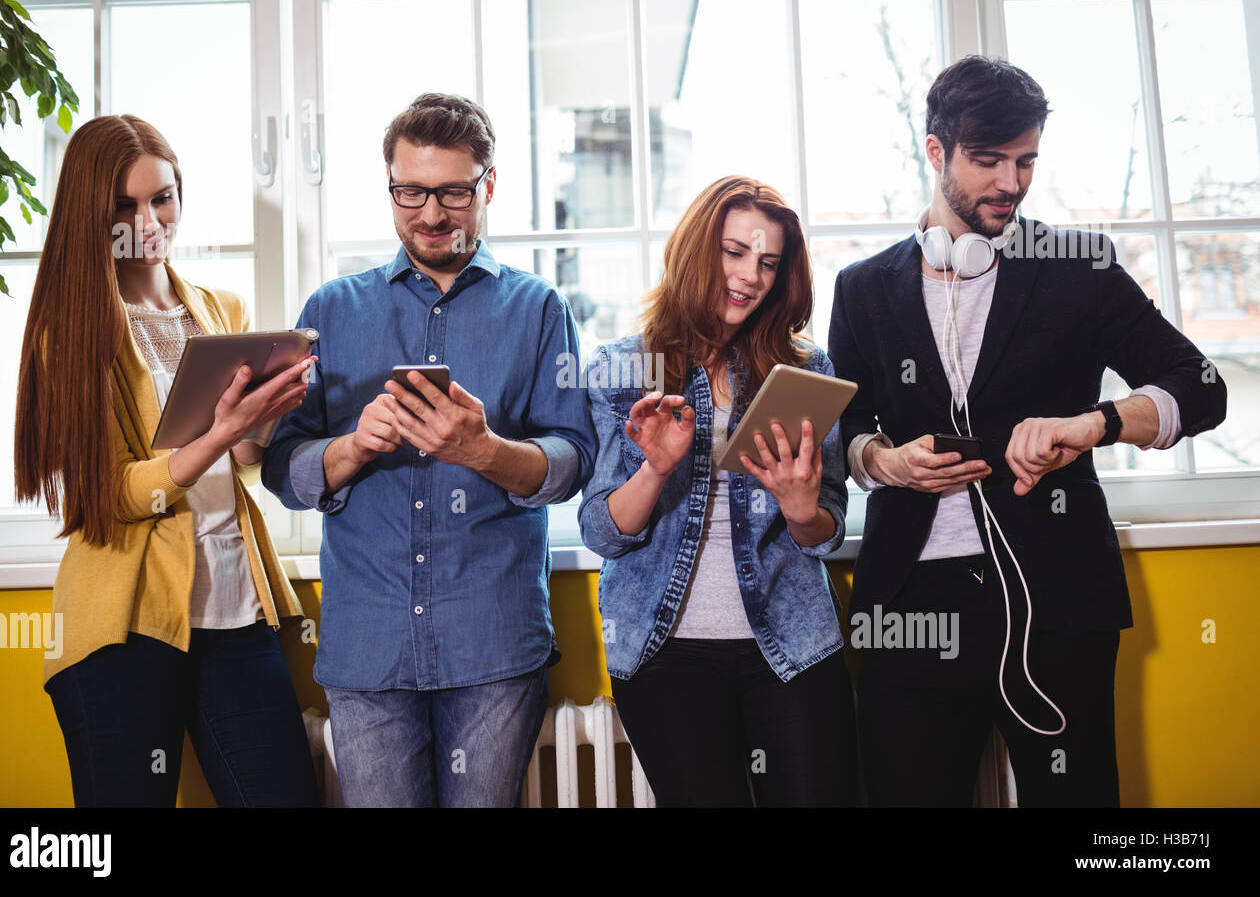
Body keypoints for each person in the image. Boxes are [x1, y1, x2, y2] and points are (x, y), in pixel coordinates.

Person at [827, 55, 1228, 807]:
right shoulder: (861, 289)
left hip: (1059, 595)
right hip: (910, 601)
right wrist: (879, 458)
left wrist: (1097, 423)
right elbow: (847, 424)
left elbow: (1201, 389)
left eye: (1026, 161)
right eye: (988, 161)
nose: (1010, 183)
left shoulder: (1080, 267)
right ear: (936, 151)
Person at [261, 92, 596, 808]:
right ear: (390, 186)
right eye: (411, 191)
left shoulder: (539, 310)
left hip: (494, 643)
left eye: (452, 192)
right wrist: (350, 448)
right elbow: (279, 467)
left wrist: (485, 451)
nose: (431, 213)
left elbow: (572, 461)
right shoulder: (330, 310)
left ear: (489, 186)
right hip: (367, 647)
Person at [14, 114, 320, 807]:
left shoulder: (217, 306)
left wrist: (265, 413)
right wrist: (219, 432)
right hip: (125, 627)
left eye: (162, 197)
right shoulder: (73, 330)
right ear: (90, 213)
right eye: (124, 205)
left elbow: (238, 458)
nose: (148, 220)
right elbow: (111, 492)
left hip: (238, 614)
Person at [579, 176, 857, 807]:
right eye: (734, 252)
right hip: (665, 653)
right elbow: (601, 531)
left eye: (767, 262)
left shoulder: (805, 369)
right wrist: (653, 470)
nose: (749, 277)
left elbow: (827, 529)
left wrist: (801, 507)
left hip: (792, 641)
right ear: (697, 249)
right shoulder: (621, 368)